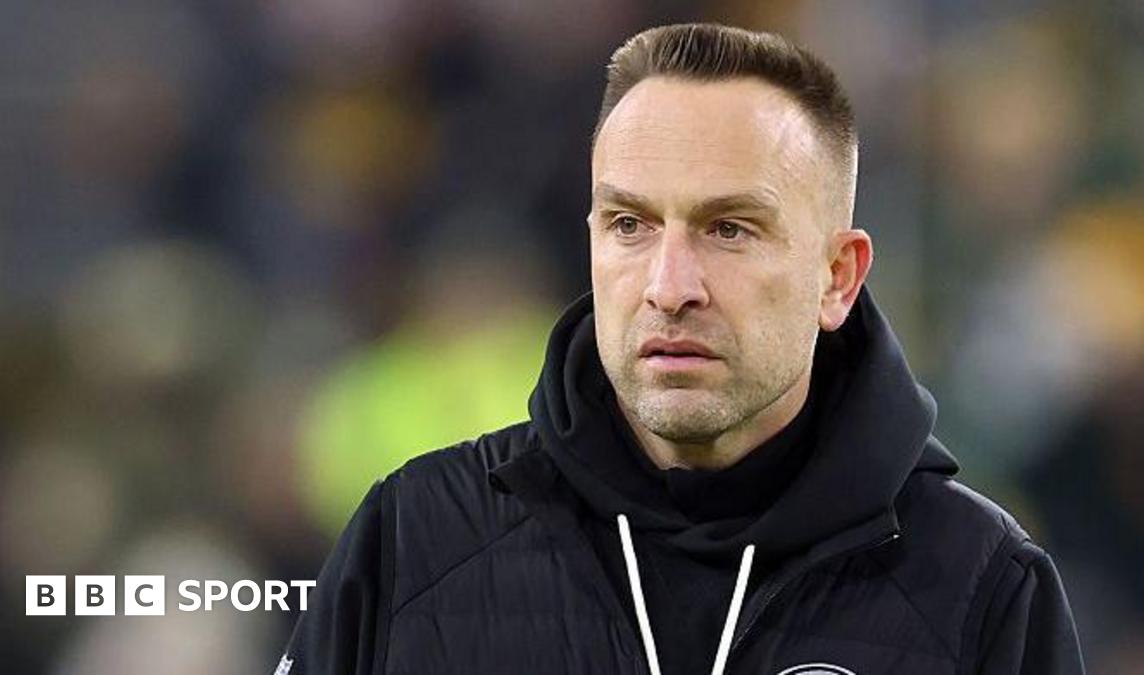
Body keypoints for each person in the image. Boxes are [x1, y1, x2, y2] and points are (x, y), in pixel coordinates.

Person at [277, 23, 1086, 675]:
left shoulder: (980, 583)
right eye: (629, 224)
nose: (670, 286)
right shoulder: (413, 539)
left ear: (837, 277)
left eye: (728, 228)